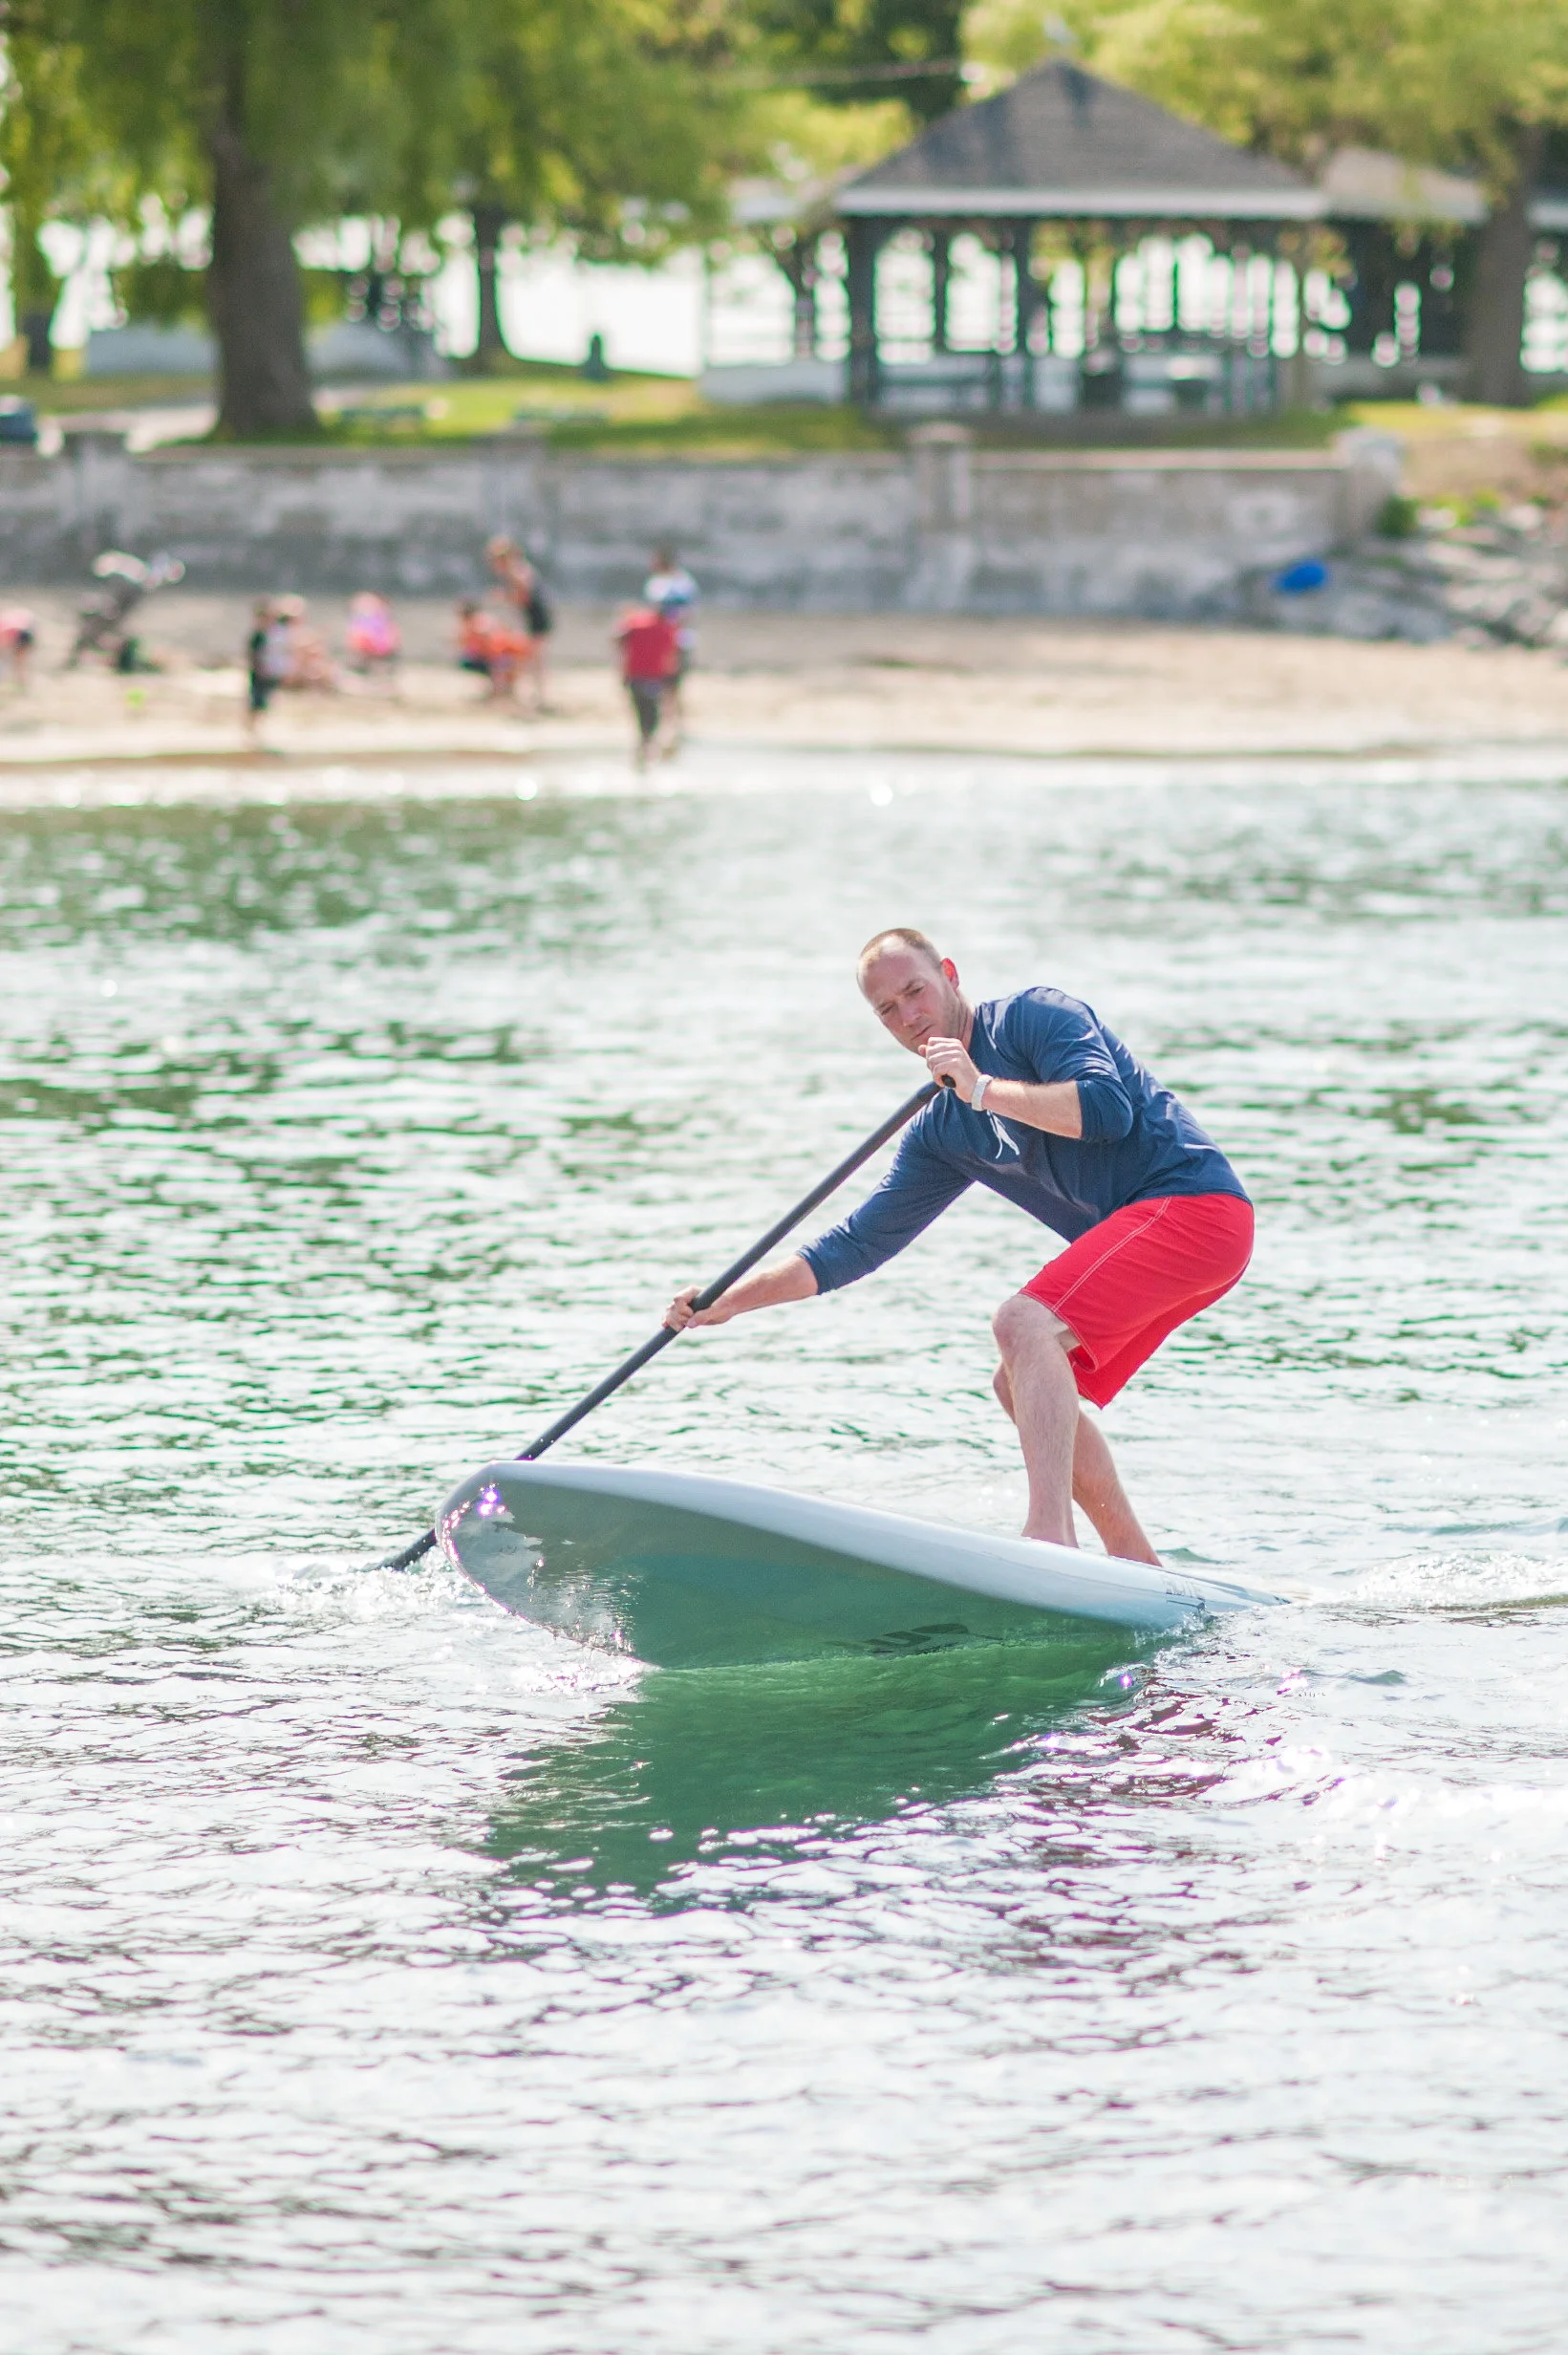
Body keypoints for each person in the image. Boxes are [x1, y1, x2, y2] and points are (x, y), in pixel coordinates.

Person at [665, 928, 1253, 1566]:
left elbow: (1105, 1109)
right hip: (1167, 1239)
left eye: (915, 991)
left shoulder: (1035, 1017)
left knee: (1022, 1322)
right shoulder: (942, 1129)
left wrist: (980, 1088)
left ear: (948, 974)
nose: (908, 1016)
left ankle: (1048, 1540)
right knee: (1017, 1383)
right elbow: (860, 1242)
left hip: (1197, 1209)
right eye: (886, 1009)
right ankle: (1133, 1564)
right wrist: (729, 1301)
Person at [485, 535, 548, 712]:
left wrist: (504, 597)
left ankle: (537, 696)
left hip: (534, 618)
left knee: (533, 659)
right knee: (530, 658)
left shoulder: (517, 571)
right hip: (530, 617)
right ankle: (531, 694)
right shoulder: (518, 570)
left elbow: (523, 596)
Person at [613, 601, 679, 768]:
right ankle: (646, 746)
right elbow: (671, 658)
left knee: (641, 712)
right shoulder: (668, 630)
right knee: (652, 714)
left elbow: (617, 638)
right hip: (653, 679)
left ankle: (642, 747)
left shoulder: (636, 624)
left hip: (634, 677)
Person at [643, 545, 698, 748]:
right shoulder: (655, 583)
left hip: (678, 640)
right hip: (660, 640)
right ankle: (666, 726)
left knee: (674, 685)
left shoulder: (682, 584)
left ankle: (677, 727)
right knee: (660, 685)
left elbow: (687, 613)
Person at [344, 591, 400, 687]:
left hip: (379, 652)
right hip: (366, 652)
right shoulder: (361, 623)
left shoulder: (384, 623)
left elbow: (390, 641)